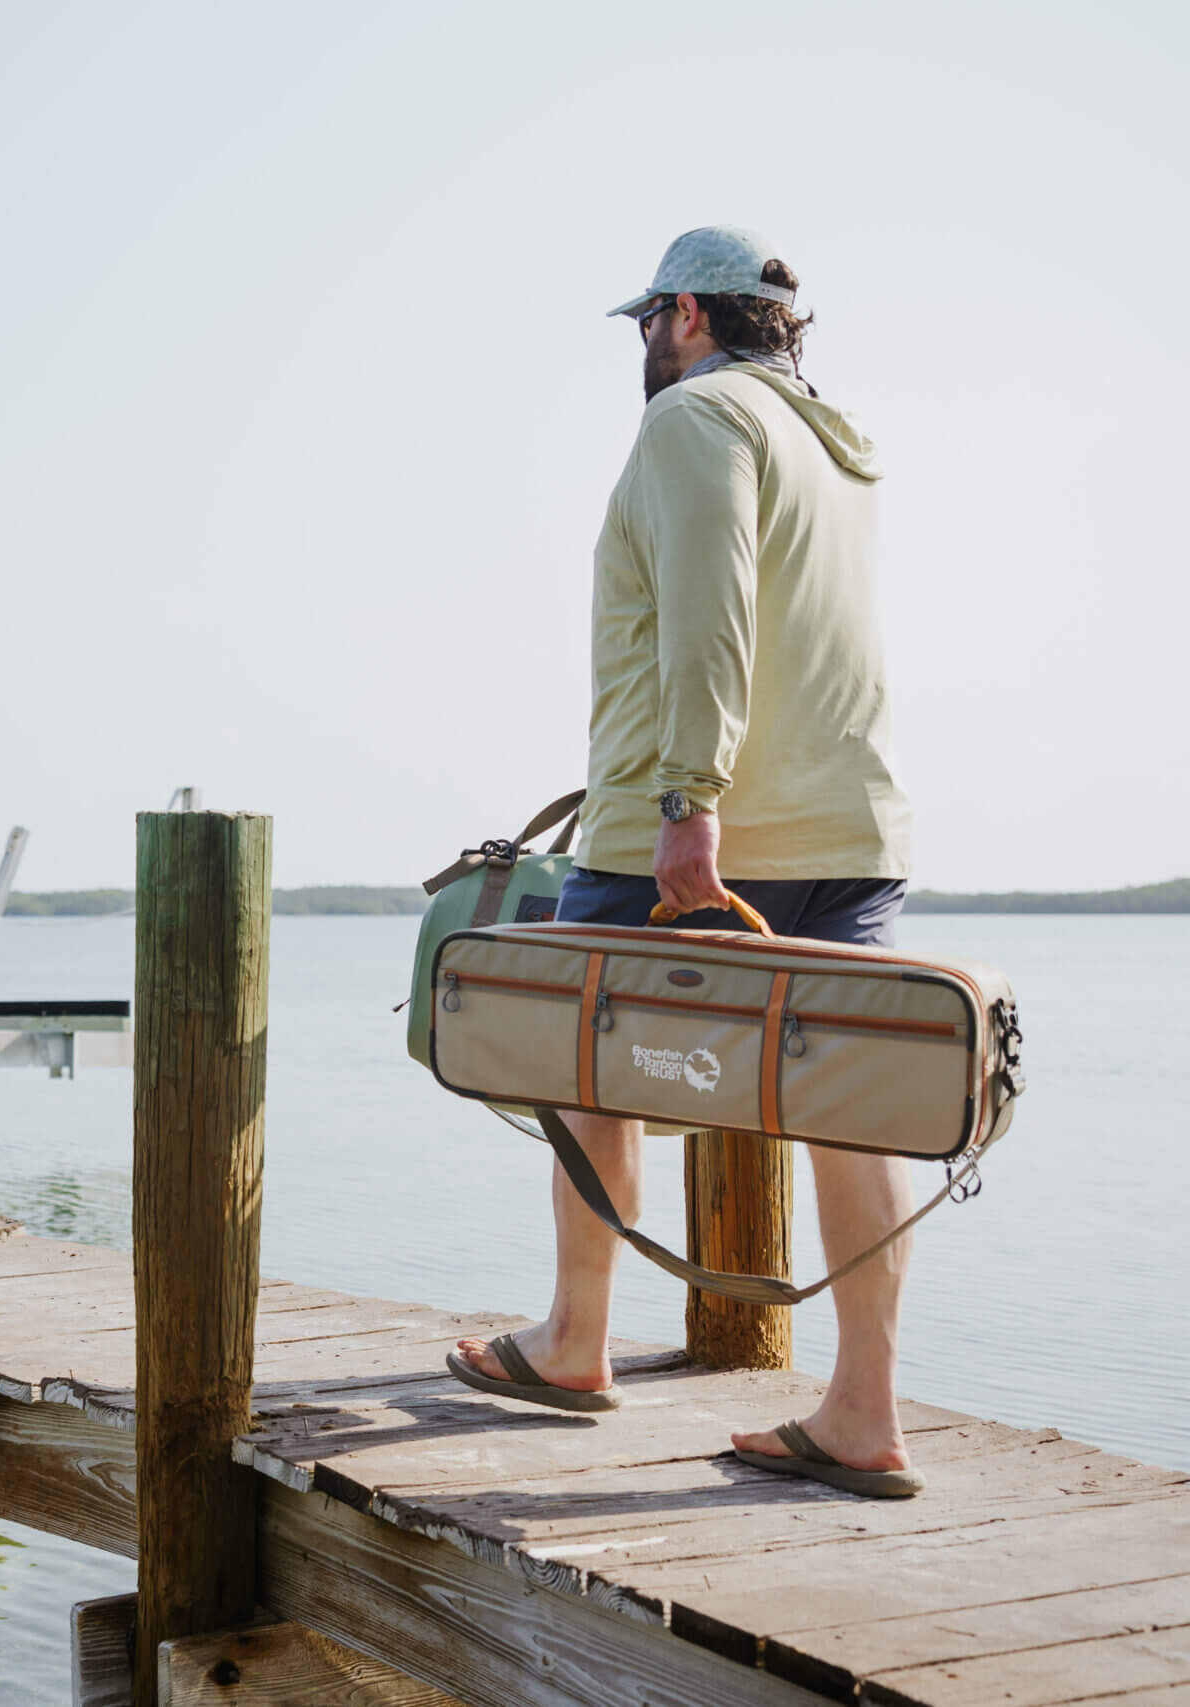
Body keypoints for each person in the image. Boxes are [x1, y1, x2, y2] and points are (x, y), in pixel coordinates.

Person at [449, 227, 925, 1498]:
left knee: (578, 1055)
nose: (643, 350)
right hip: (850, 827)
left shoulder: (694, 421)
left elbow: (711, 615)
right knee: (852, 1109)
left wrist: (684, 803)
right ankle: (862, 1411)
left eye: (644, 324)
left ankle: (573, 1342)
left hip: (693, 823)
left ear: (686, 316)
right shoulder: (839, 447)